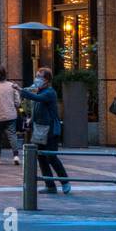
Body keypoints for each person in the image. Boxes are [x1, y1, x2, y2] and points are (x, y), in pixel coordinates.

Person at [21, 67, 71, 195]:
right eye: (36, 75)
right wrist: (31, 120)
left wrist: (19, 90)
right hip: (39, 129)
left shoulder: (49, 92)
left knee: (51, 157)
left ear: (47, 80)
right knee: (41, 157)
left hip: (50, 130)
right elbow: (35, 105)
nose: (37, 79)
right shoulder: (39, 90)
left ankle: (65, 182)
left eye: (40, 77)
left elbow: (34, 98)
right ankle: (50, 185)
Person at [0, 64, 21, 164]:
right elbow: (17, 102)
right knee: (12, 135)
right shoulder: (12, 85)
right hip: (11, 114)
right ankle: (16, 156)